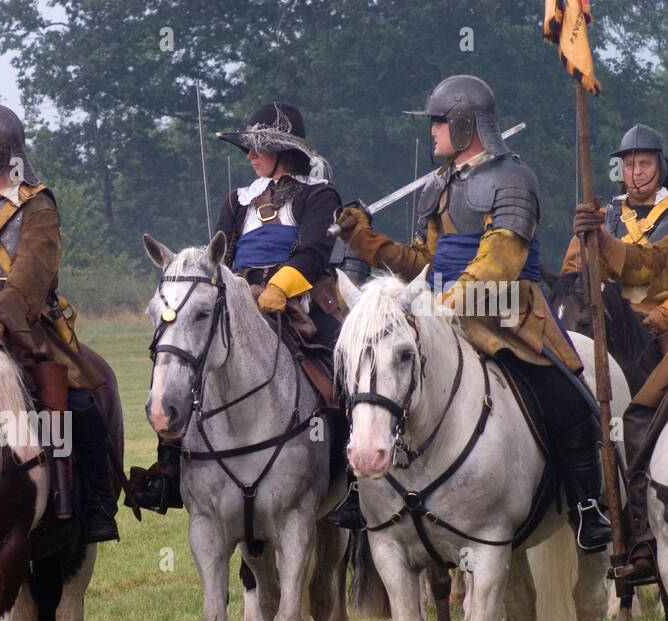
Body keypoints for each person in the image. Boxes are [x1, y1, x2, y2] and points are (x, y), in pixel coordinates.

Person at [335, 74, 612, 550]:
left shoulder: (513, 178)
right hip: (441, 306)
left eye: (439, 122)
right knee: (375, 382)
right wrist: (365, 239)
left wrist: (442, 305)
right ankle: (363, 490)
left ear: (466, 125)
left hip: (507, 310)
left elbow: (499, 261)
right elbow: (424, 261)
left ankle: (587, 504)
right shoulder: (440, 185)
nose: (432, 132)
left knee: (567, 399)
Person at [131, 101, 344, 514]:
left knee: (346, 369)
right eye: (247, 147)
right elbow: (219, 257)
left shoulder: (320, 195)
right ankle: (169, 471)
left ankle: (353, 482)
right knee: (179, 356)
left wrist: (279, 287)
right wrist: (228, 294)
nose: (249, 154)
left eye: (258, 146)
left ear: (286, 150)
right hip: (237, 297)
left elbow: (315, 251)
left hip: (301, 297)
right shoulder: (238, 199)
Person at [0, 103, 119, 543]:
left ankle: (91, 503)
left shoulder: (39, 206)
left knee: (75, 402)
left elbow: (31, 277)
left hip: (24, 324)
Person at [567, 124, 668, 583]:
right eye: (628, 163)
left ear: (659, 166)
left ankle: (646, 543)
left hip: (658, 332)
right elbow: (575, 272)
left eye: (644, 163)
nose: (635, 171)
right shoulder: (602, 214)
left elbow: (653, 269)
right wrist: (585, 246)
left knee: (639, 423)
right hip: (609, 333)